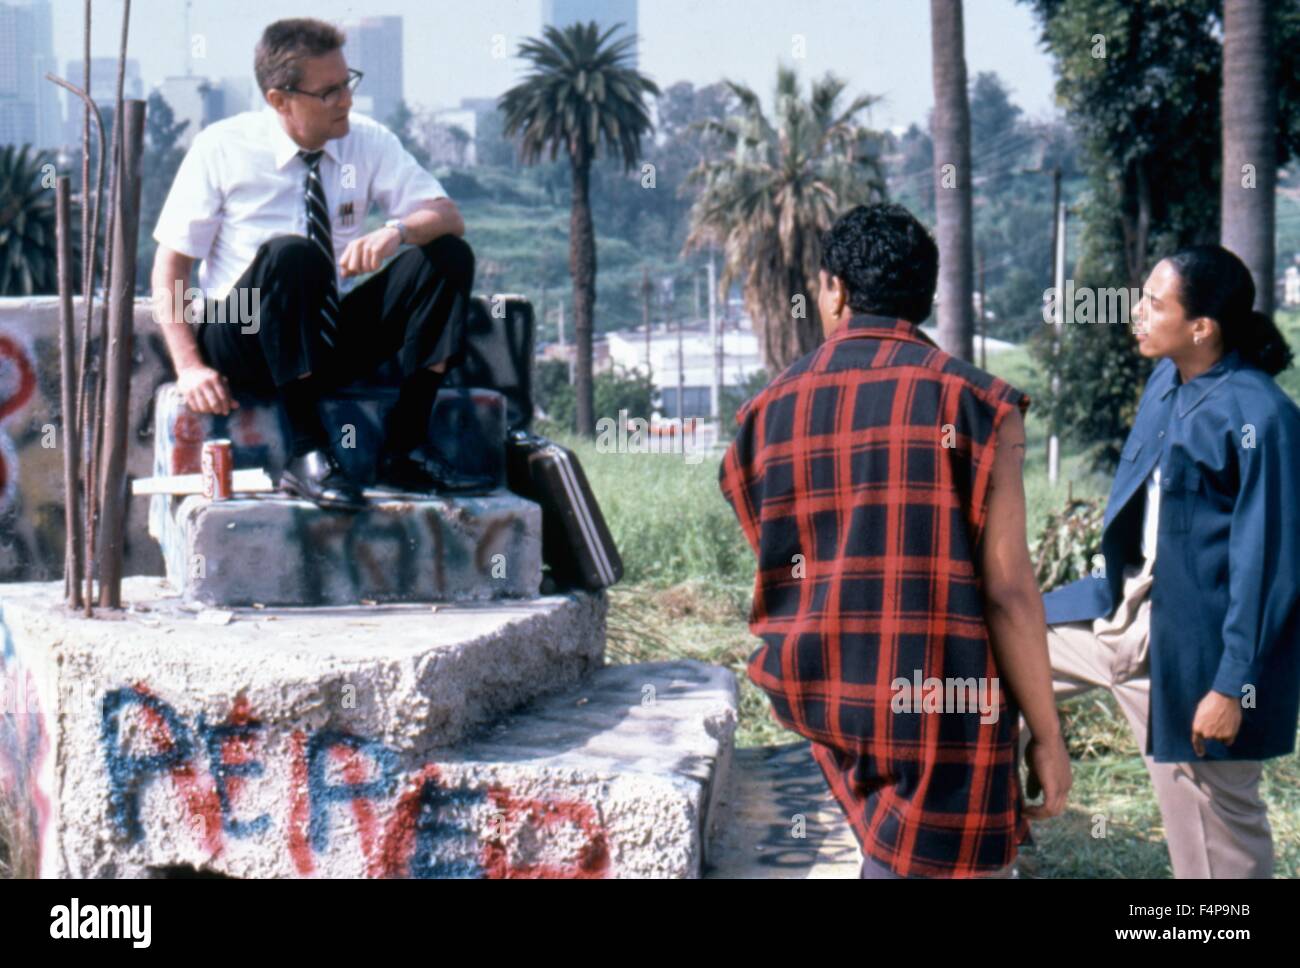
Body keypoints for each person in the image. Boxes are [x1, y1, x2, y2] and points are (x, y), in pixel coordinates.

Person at [718, 203, 1071, 878]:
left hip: (831, 708)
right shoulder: (980, 405)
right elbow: (1008, 593)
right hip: (949, 725)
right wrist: (1048, 735)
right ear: (924, 297)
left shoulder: (764, 416)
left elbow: (786, 568)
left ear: (837, 290)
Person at [1032, 245, 1300, 878]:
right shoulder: (1166, 382)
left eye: (1155, 304)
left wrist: (1232, 686)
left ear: (1202, 326)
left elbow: (1270, 568)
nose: (1137, 314)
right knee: (989, 658)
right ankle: (994, 835)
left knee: (1215, 855)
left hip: (1199, 656)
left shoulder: (1262, 417)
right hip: (1124, 612)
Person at [151, 17, 474, 510]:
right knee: (293, 254)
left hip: (324, 334)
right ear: (280, 100)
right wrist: (189, 367)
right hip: (242, 334)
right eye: (329, 92)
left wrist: (396, 231)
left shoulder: (365, 139)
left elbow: (449, 216)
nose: (346, 99)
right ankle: (306, 455)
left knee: (446, 255)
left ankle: (405, 449)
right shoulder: (222, 147)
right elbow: (169, 267)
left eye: (348, 83)